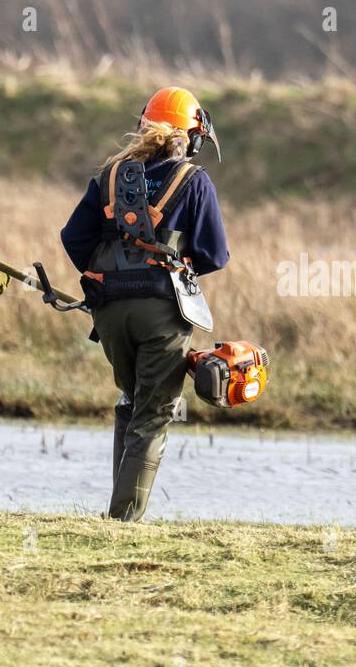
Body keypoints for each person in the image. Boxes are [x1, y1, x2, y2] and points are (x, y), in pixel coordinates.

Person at [60, 87, 229, 521]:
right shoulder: (194, 181)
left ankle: (118, 513)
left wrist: (107, 277)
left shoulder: (110, 176)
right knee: (153, 414)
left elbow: (73, 238)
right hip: (162, 312)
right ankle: (122, 522)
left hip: (109, 310)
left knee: (132, 402)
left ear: (143, 126)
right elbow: (214, 254)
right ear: (191, 138)